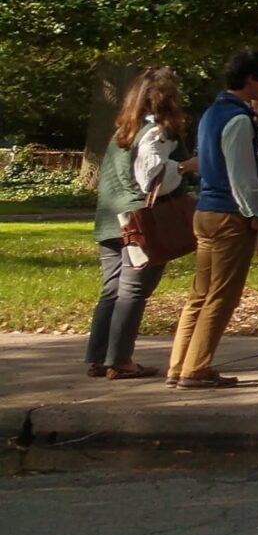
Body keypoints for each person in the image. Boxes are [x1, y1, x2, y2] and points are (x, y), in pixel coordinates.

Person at [167, 49, 258, 389]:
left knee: (200, 293)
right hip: (229, 214)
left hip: (205, 210)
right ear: (251, 79)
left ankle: (179, 364)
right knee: (222, 295)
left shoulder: (214, 112)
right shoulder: (237, 119)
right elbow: (242, 174)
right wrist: (256, 214)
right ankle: (197, 367)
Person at [89, 68, 188, 380]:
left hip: (109, 220)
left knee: (112, 290)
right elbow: (153, 179)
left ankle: (99, 357)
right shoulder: (157, 133)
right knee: (133, 290)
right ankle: (119, 360)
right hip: (139, 224)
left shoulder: (122, 132)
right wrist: (186, 166)